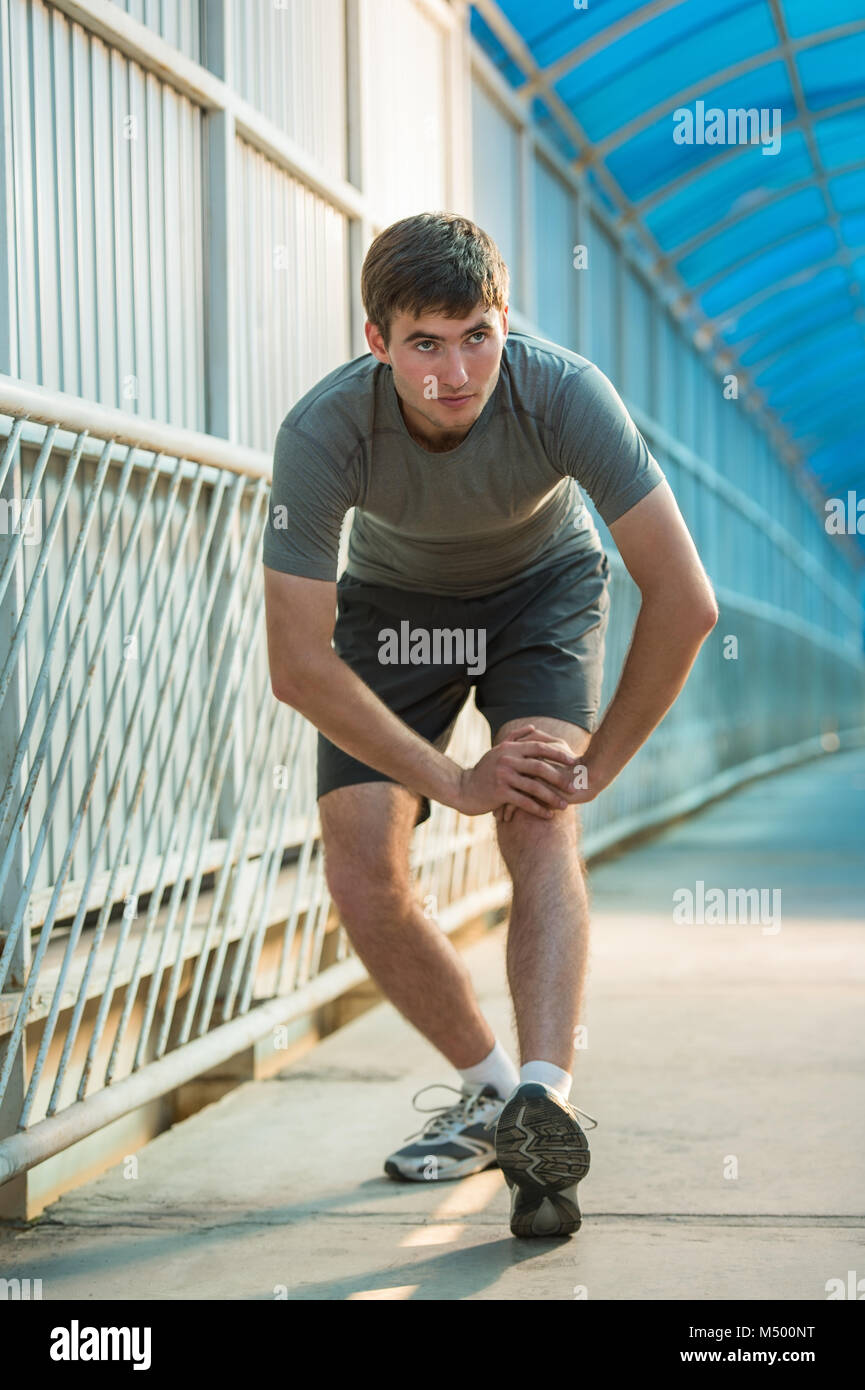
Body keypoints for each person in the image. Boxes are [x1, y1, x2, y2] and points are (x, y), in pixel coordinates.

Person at [262, 212, 718, 1238]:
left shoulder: (562, 392)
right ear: (375, 342)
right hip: (391, 606)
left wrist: (590, 770)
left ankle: (545, 1105)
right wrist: (452, 777)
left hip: (539, 588)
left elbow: (686, 601)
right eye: (423, 342)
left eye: (476, 334)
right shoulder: (323, 431)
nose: (454, 370)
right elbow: (296, 662)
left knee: (540, 817)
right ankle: (491, 1091)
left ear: (504, 321)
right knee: (360, 867)